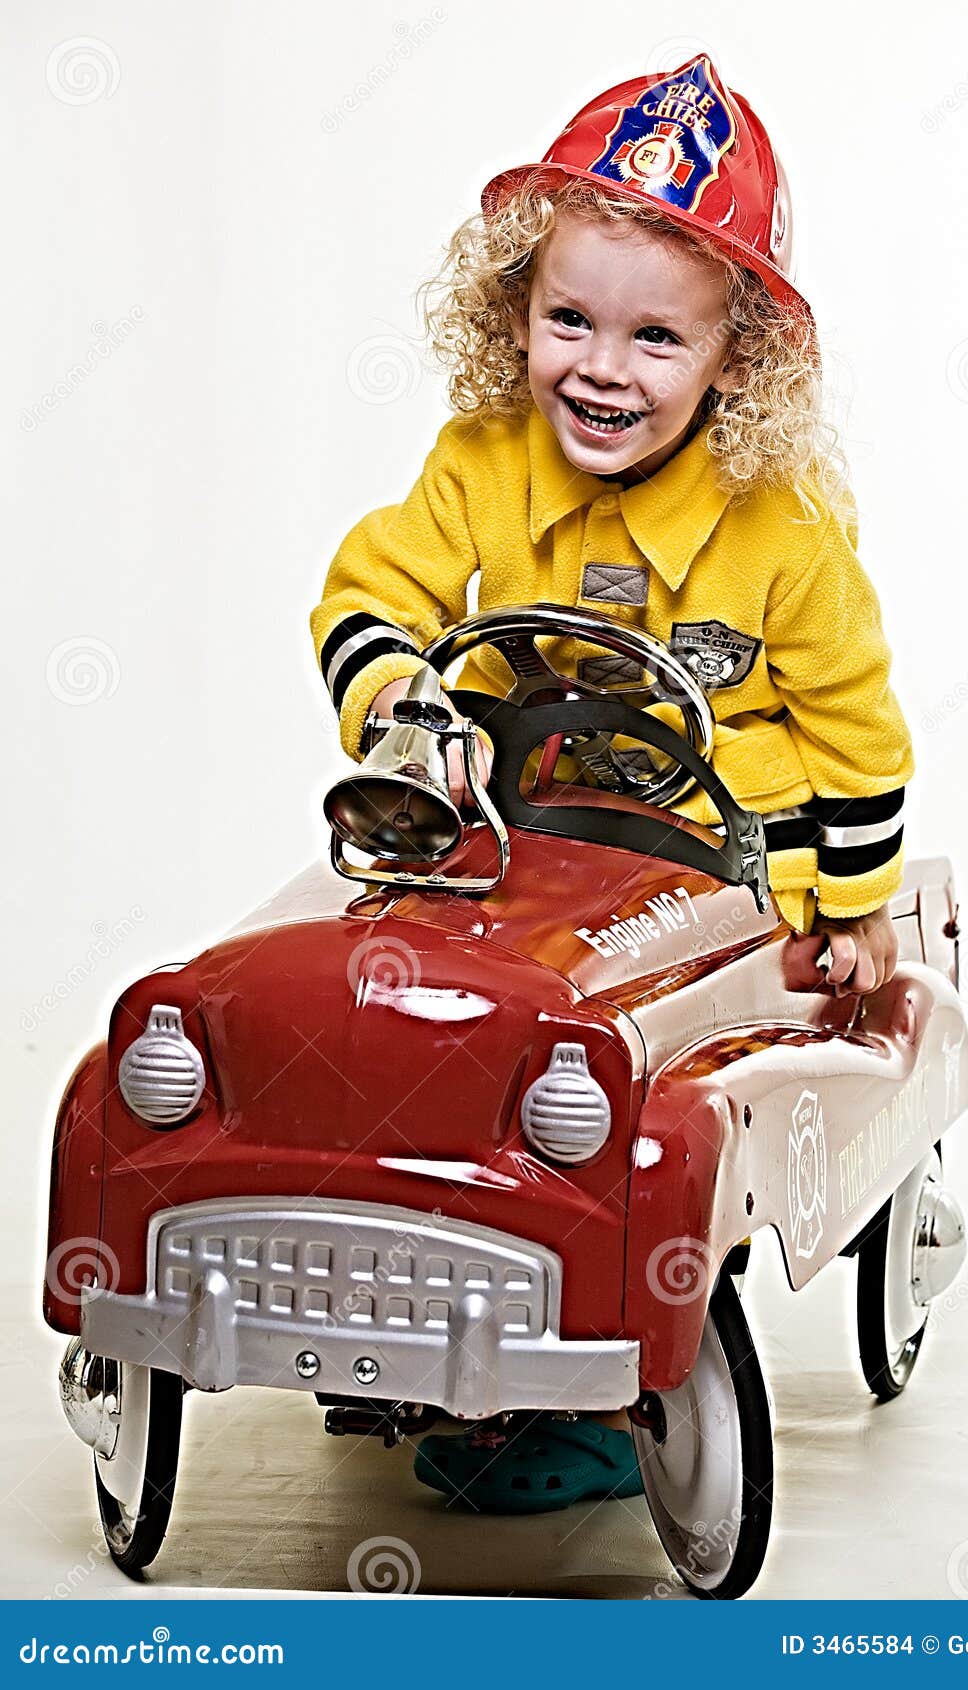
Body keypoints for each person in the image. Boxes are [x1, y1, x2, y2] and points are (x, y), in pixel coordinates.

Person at [309, 52, 913, 1511]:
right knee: (417, 1010)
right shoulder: (482, 462)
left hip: (717, 865)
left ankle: (597, 1380)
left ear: (734, 360)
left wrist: (851, 904)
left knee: (621, 1086)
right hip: (515, 835)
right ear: (513, 308)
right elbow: (371, 589)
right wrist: (406, 701)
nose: (601, 367)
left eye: (656, 338)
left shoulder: (784, 528)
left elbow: (853, 723)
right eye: (568, 319)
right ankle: (400, 1264)